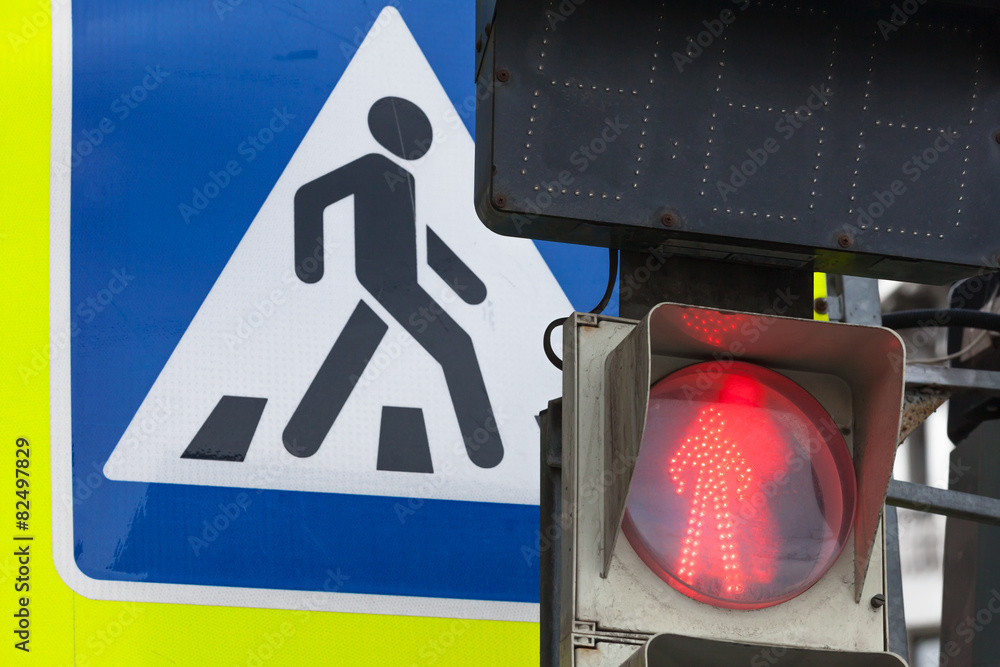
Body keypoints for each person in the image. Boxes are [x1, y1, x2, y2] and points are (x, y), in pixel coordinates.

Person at [283, 96, 503, 469]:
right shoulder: (370, 168)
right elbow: (310, 197)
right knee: (457, 347)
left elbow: (421, 239)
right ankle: (486, 452)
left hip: (398, 281)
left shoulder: (404, 179)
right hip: (384, 280)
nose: (422, 143)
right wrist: (310, 263)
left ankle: (302, 435)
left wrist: (464, 283)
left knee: (354, 349)